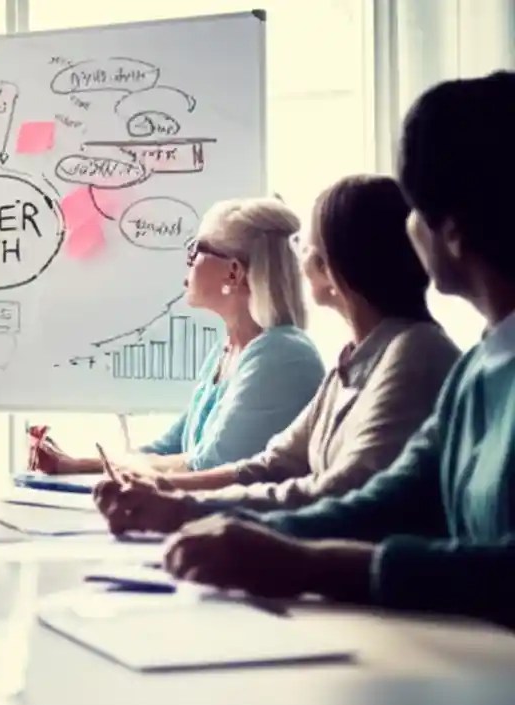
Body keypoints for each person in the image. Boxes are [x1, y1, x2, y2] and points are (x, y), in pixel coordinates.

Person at [162, 72, 515, 627]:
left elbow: (495, 566)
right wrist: (192, 513)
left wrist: (308, 564)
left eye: (416, 212)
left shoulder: (421, 354)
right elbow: (388, 500)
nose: (409, 231)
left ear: (453, 231)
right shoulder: (477, 366)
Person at [95, 175, 460, 534]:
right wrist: (171, 492)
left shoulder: (413, 354)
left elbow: (341, 492)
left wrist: (185, 508)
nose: (297, 255)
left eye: (305, 243)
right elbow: (273, 464)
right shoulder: (355, 359)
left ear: (332, 266)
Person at [32, 197, 325, 474]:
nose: (188, 261)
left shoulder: (281, 356)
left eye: (196, 249)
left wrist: (96, 467)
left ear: (233, 273)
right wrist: (74, 464)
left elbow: (205, 466)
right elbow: (167, 449)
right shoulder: (227, 351)